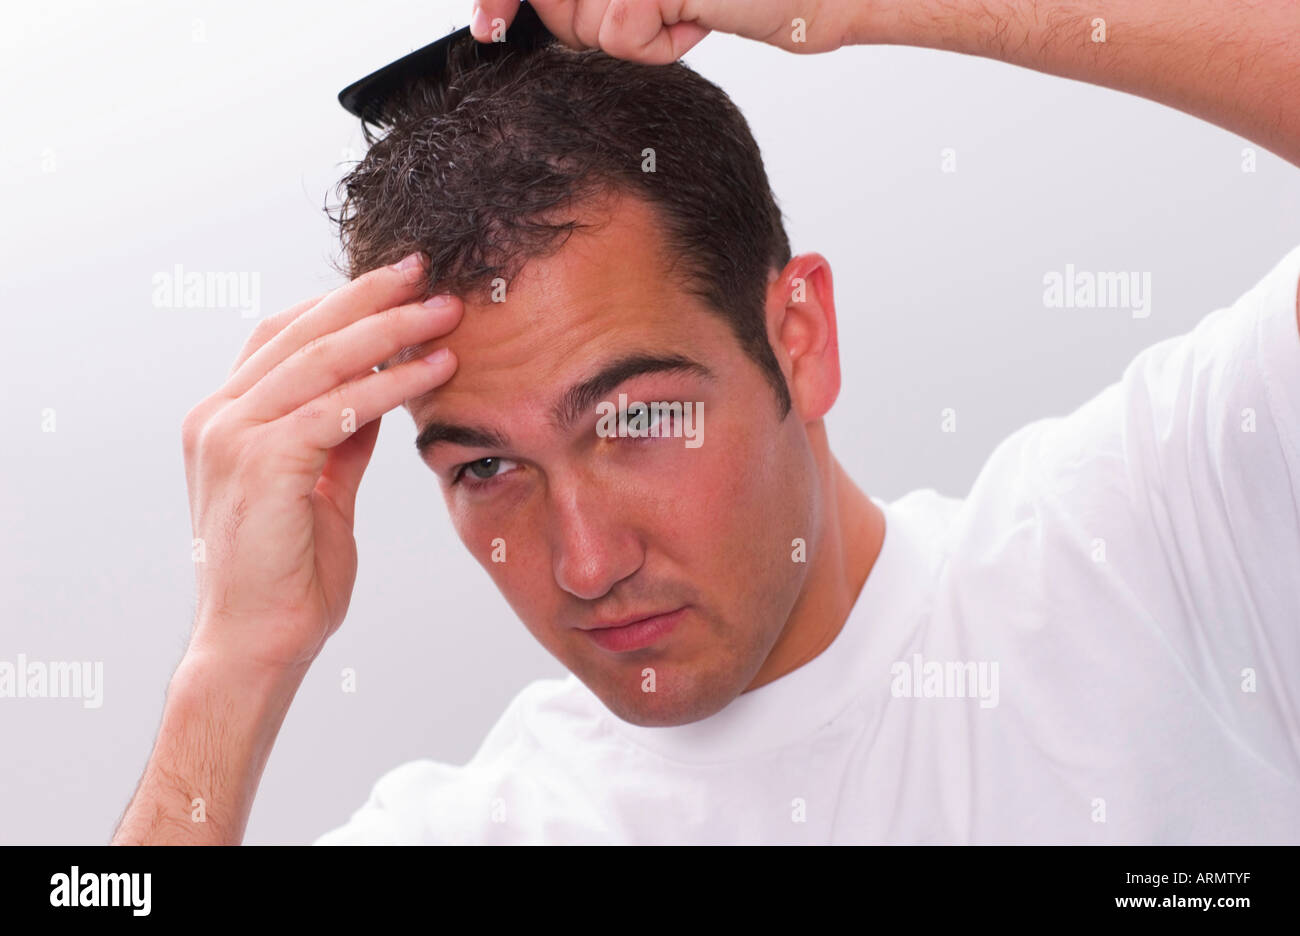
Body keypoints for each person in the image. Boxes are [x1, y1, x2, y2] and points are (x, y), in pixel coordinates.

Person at [113, 0, 1300, 845]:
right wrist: (229, 673)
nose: (585, 562)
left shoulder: (1161, 539)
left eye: (639, 418)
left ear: (801, 335)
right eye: (484, 468)